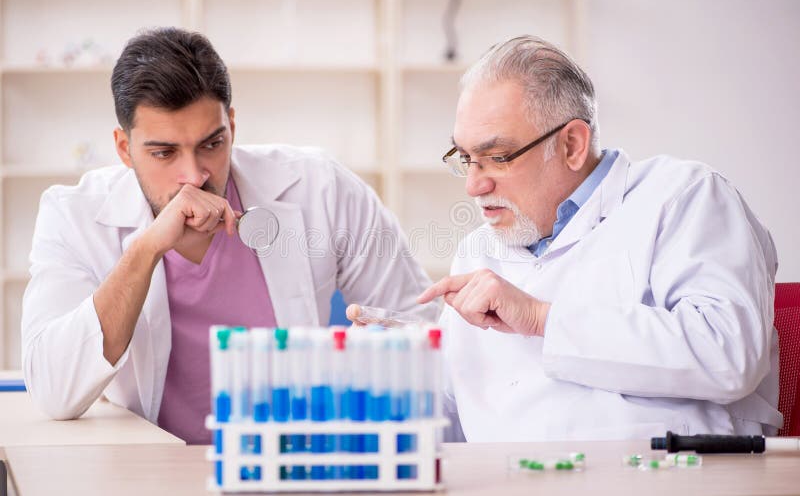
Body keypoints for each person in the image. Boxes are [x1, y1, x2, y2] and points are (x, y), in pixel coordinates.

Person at [21, 27, 435, 444]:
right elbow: (57, 393)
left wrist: (374, 357)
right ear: (124, 149)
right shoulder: (72, 214)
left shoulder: (320, 187)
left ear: (232, 127)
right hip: (157, 470)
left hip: (298, 461)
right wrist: (145, 250)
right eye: (164, 152)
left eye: (211, 143)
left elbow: (421, 325)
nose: (194, 175)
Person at [414, 35, 781, 441]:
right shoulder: (479, 251)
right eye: (465, 158)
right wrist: (387, 371)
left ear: (572, 144)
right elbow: (449, 409)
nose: (473, 185)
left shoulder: (685, 197)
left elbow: (728, 356)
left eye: (498, 158)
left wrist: (542, 319)